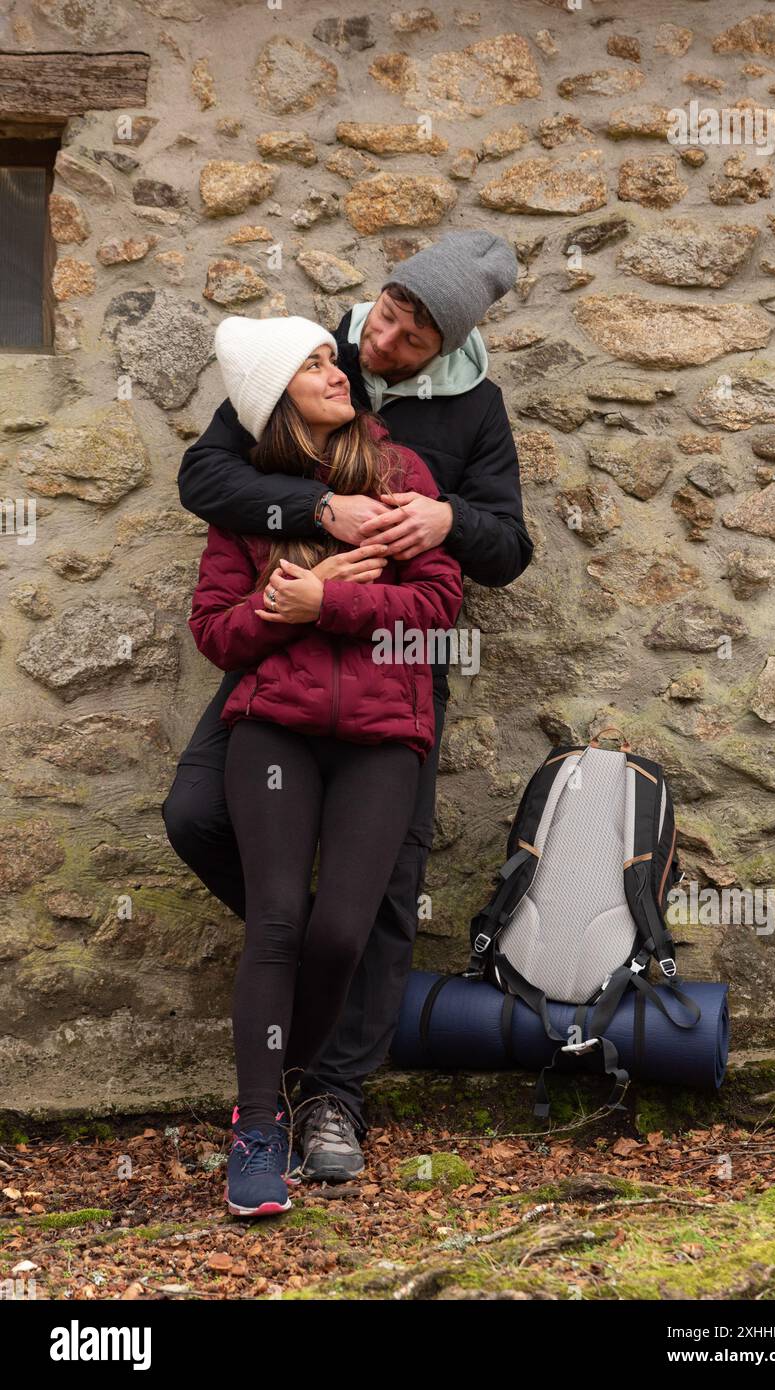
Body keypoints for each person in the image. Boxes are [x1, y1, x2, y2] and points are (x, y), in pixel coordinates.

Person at [163, 229, 533, 1183]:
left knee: (386, 892)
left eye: (412, 337)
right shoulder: (307, 359)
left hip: (391, 664)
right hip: (280, 649)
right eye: (391, 310)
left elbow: (502, 550)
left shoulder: (473, 414)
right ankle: (297, 962)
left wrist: (449, 517)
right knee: (198, 815)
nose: (384, 340)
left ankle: (334, 1093)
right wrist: (316, 514)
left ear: (447, 347)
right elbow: (207, 479)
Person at [188, 312, 463, 1216]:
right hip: (275, 730)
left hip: (385, 734)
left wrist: (334, 607)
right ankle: (258, 1128)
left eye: (329, 355)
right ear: (277, 397)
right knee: (275, 923)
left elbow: (438, 608)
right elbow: (214, 632)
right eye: (311, 364)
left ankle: (306, 1086)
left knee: (341, 930)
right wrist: (282, 612)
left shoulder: (402, 478)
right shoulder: (250, 498)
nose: (336, 369)